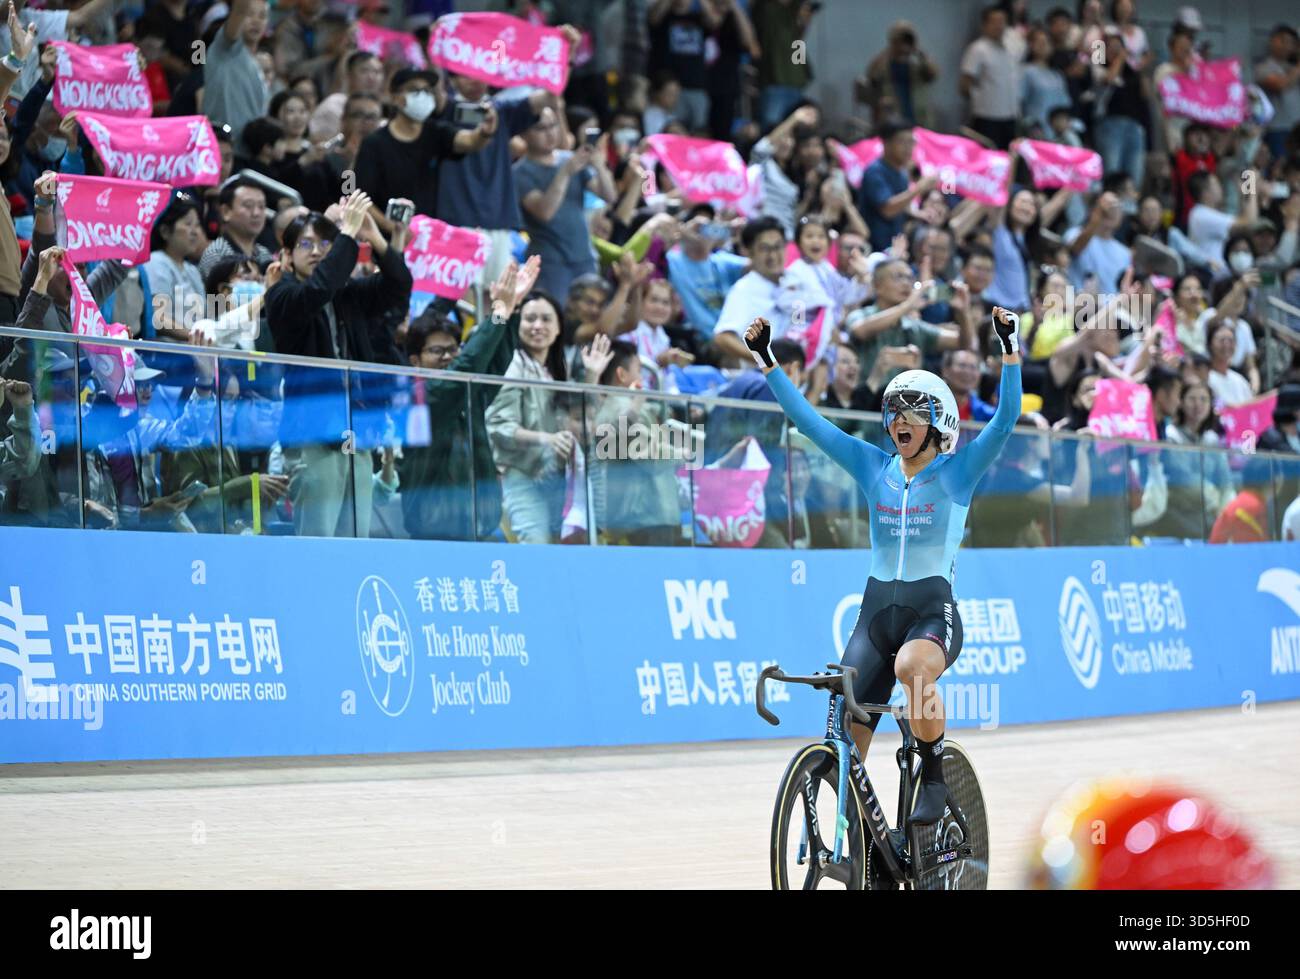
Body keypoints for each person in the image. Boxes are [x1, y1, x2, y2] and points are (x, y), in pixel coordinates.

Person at [743, 305, 1023, 824]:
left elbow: (1005, 422)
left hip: (930, 614)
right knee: (841, 742)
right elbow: (810, 422)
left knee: (913, 670)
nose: (900, 422)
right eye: (894, 412)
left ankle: (935, 776)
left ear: (939, 422)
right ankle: (869, 852)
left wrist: (1008, 349)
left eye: (914, 413)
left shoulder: (957, 472)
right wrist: (767, 360)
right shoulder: (874, 467)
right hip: (875, 619)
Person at [266, 190, 412, 538]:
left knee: (355, 550)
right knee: (317, 549)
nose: (317, 251)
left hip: (358, 436)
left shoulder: (349, 297)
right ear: (286, 255)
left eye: (325, 244)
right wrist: (345, 234)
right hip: (314, 438)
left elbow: (398, 286)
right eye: (305, 245)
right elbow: (319, 289)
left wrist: (374, 236)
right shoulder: (283, 296)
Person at [399, 257, 540, 543]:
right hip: (434, 534)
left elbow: (496, 362)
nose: (448, 356)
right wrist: (499, 310)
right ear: (415, 361)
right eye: (437, 351)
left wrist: (512, 310)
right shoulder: (420, 397)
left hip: (481, 528)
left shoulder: (465, 389)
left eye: (454, 349)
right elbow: (467, 366)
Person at [515, 106, 617, 303]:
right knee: (557, 320)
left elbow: (610, 196)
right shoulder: (520, 172)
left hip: (584, 258)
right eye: (541, 128)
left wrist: (598, 164)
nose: (550, 133)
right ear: (524, 134)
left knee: (591, 319)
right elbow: (545, 212)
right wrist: (565, 172)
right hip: (551, 264)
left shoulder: (569, 159)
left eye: (553, 126)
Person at [858, 119, 936, 252]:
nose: (908, 148)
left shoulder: (902, 172)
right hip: (875, 247)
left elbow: (901, 205)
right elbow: (888, 209)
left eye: (911, 142)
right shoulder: (875, 171)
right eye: (902, 141)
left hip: (895, 246)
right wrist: (919, 188)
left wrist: (918, 214)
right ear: (886, 143)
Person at [204, 0, 270, 151]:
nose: (256, 21)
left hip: (249, 153)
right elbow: (239, 9)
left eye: (262, 16)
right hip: (222, 149)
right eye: (250, 14)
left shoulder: (259, 63)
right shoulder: (226, 47)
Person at [860, 20, 939, 129]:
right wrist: (891, 49)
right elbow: (871, 75)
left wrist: (918, 50)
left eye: (907, 39)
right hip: (893, 122)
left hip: (919, 120)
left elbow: (933, 74)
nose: (904, 44)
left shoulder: (917, 66)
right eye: (900, 39)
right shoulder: (883, 65)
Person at [960, 5, 1020, 149]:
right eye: (995, 22)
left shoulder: (1009, 49)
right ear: (985, 25)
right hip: (987, 118)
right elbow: (964, 84)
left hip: (1010, 117)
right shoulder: (978, 49)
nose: (999, 26)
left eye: (1002, 22)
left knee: (1009, 159)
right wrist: (980, 101)